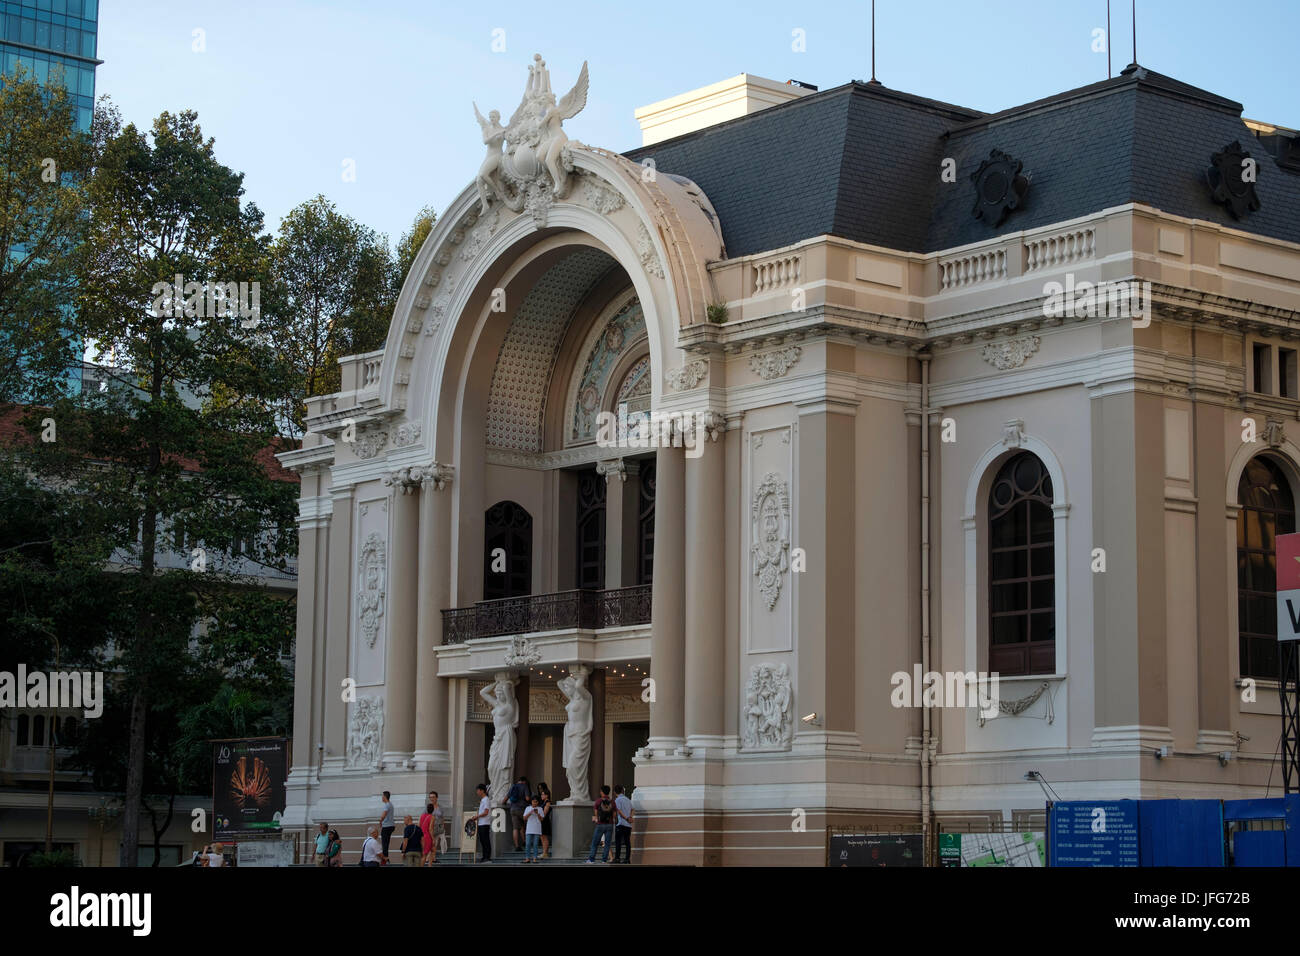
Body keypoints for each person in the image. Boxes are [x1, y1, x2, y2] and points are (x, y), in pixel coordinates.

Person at [587, 786, 614, 863]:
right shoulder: (612, 801)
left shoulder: (598, 801)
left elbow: (595, 813)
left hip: (600, 824)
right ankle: (604, 860)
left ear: (602, 792)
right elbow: (615, 814)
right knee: (607, 843)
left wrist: (597, 819)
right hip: (610, 824)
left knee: (595, 842)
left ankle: (591, 859)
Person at [506, 775, 530, 852]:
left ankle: (517, 846)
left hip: (513, 809)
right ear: (524, 781)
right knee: (525, 824)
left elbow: (506, 798)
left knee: (515, 828)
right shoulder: (525, 786)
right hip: (522, 809)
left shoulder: (513, 786)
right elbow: (527, 798)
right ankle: (526, 842)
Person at [613, 784, 634, 864]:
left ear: (615, 792)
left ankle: (617, 858)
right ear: (622, 790)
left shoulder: (617, 800)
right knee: (627, 842)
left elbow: (619, 811)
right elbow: (632, 809)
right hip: (628, 825)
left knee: (618, 842)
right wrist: (630, 817)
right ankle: (627, 859)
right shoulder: (628, 799)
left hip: (621, 823)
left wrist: (626, 818)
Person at [474, 783, 493, 863]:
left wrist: (477, 816)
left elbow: (486, 812)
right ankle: (484, 857)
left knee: (485, 840)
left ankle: (487, 857)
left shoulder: (486, 800)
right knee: (482, 841)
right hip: (481, 823)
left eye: (478, 790)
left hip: (485, 823)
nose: (477, 792)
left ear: (482, 791)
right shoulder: (483, 800)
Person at [522, 794, 544, 863]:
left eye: (536, 802)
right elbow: (524, 818)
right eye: (533, 801)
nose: (535, 803)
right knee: (528, 843)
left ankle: (534, 858)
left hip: (537, 829)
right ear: (531, 801)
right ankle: (527, 858)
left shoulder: (540, 809)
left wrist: (537, 814)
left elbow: (541, 819)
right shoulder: (527, 808)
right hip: (529, 829)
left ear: (538, 802)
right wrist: (530, 812)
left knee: (535, 844)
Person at [537, 782, 553, 859]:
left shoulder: (547, 802)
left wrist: (538, 813)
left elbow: (544, 813)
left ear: (547, 795)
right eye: (541, 794)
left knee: (544, 837)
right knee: (542, 837)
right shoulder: (543, 802)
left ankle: (545, 853)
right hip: (541, 821)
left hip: (545, 821)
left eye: (543, 794)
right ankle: (544, 852)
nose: (541, 795)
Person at [428, 792, 445, 862]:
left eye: (433, 797)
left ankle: (433, 859)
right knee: (430, 843)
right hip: (430, 828)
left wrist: (443, 826)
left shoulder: (440, 807)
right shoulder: (428, 807)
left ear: (436, 798)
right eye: (430, 797)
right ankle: (428, 859)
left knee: (435, 844)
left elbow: (442, 817)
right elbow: (424, 816)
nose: (432, 799)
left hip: (438, 828)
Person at [379, 791, 395, 858]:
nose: (382, 797)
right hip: (391, 825)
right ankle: (386, 858)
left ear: (385, 797)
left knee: (384, 843)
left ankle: (385, 858)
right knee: (386, 843)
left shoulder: (387, 805)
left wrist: (380, 821)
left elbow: (383, 815)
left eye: (382, 796)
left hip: (386, 826)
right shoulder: (391, 804)